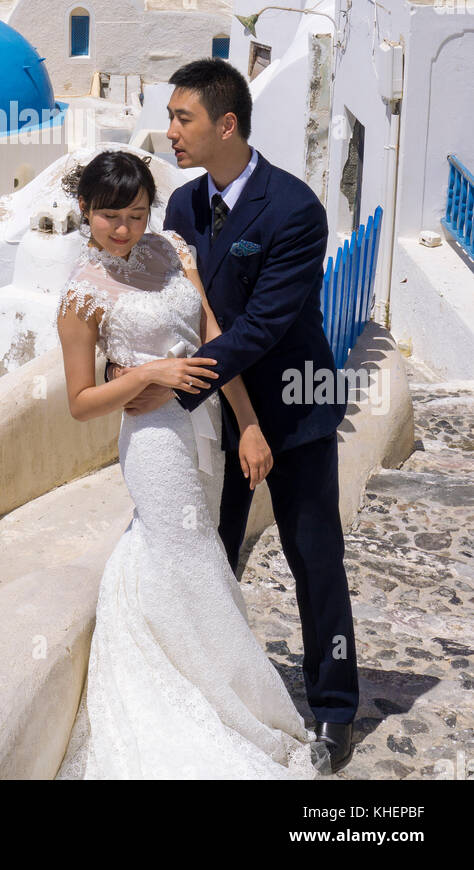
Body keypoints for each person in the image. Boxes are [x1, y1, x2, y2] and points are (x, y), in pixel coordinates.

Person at [109, 59, 359, 772]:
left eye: (182, 118)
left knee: (316, 563)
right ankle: (218, 698)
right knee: (208, 557)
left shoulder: (295, 210)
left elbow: (260, 327)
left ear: (226, 124)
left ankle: (335, 709)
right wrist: (133, 366)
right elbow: (183, 310)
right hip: (216, 419)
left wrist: (178, 382)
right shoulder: (183, 206)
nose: (171, 131)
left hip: (293, 413)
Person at [54, 147, 324, 780]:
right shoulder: (81, 296)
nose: (123, 229)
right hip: (151, 439)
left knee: (189, 552)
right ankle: (213, 700)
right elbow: (80, 403)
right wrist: (148, 373)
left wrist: (251, 426)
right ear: (86, 213)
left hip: (205, 424)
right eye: (108, 216)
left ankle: (204, 677)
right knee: (189, 554)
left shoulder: (170, 250)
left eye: (136, 213)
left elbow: (212, 341)